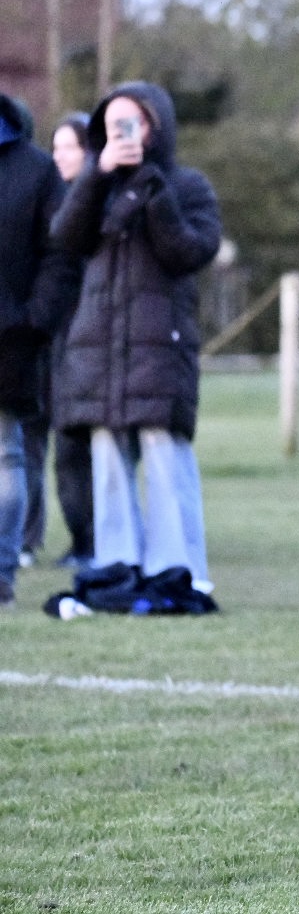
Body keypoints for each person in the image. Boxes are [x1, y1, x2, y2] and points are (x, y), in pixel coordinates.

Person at [49, 83, 221, 600]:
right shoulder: (92, 184)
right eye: (111, 125)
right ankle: (117, 566)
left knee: (164, 453)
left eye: (133, 123)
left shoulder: (188, 185)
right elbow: (65, 237)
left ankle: (179, 569)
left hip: (159, 346)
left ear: (157, 127)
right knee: (106, 455)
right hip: (98, 346)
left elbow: (191, 252)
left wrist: (154, 193)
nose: (120, 134)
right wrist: (95, 177)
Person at [1, 94, 78, 610]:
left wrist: (33, 319)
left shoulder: (35, 170)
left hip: (7, 341)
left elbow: (60, 252)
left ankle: (2, 572)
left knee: (7, 457)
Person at [21, 114, 96, 573]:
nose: (58, 156)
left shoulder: (93, 205)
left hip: (79, 343)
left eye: (67, 147)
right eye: (55, 148)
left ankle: (88, 540)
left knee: (72, 448)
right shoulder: (44, 200)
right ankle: (25, 538)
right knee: (27, 441)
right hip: (42, 340)